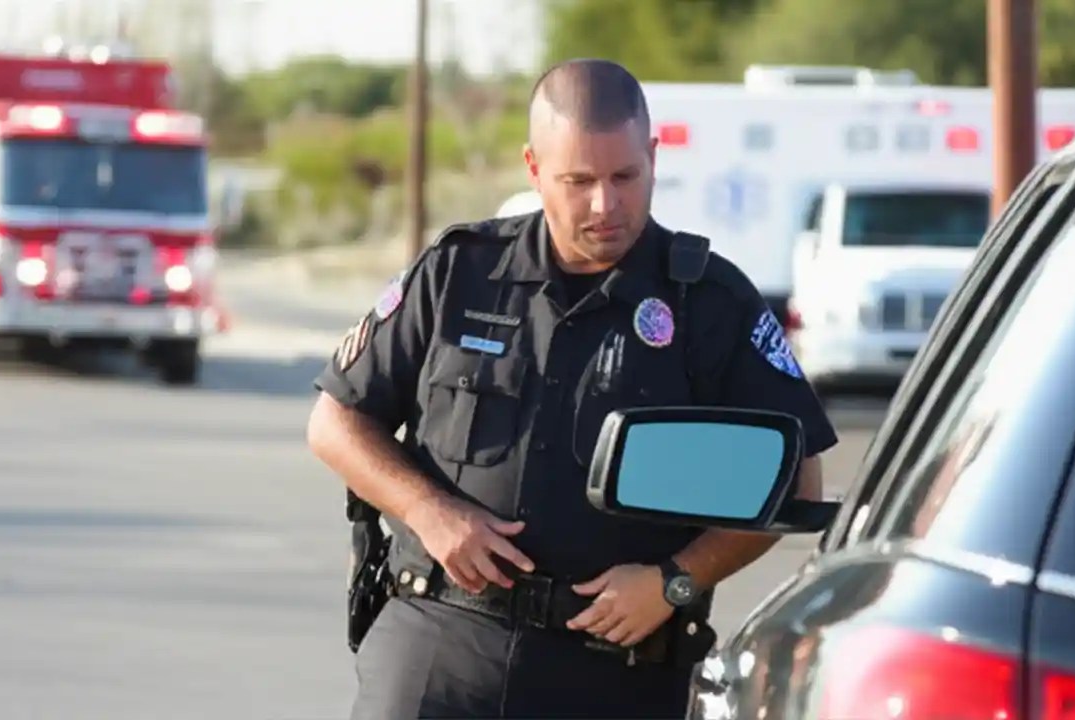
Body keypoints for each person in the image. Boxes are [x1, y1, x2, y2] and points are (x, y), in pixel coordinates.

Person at [306, 57, 838, 719]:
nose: (605, 205)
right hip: (438, 646)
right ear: (533, 169)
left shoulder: (711, 303)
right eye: (578, 180)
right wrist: (427, 511)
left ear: (654, 154)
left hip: (614, 671)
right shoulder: (459, 274)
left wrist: (676, 582)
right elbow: (336, 421)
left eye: (625, 176)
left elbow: (794, 485)